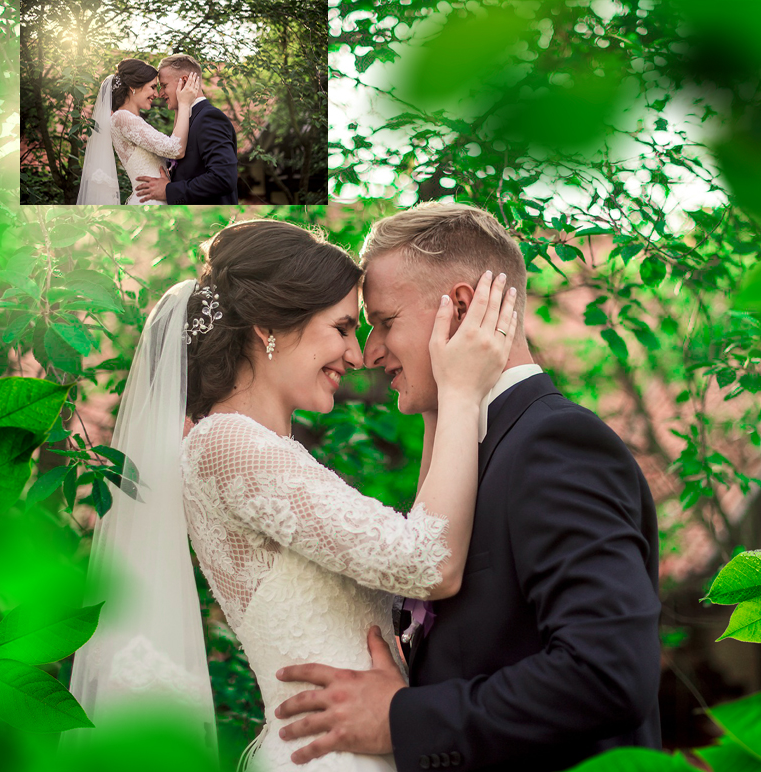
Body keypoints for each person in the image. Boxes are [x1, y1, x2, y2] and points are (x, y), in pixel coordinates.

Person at [67, 219, 519, 771]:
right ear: (269, 329)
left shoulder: (262, 449)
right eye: (343, 328)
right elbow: (428, 563)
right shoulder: (228, 445)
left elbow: (422, 535)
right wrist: (461, 391)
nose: (357, 356)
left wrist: (433, 395)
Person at [273, 203, 663, 771]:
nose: (370, 352)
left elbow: (608, 673)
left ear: (459, 307)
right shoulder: (472, 451)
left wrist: (402, 718)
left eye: (384, 321)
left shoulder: (555, 443)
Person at [76, 58, 201, 205]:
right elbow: (175, 149)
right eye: (153, 87)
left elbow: (173, 143)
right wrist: (184, 103)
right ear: (133, 86)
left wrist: (178, 106)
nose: (157, 94)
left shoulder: (133, 120)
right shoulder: (122, 118)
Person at [133, 54, 240, 205]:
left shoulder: (209, 118)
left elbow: (223, 178)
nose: (160, 93)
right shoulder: (188, 119)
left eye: (164, 85)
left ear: (184, 81)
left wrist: (169, 190)